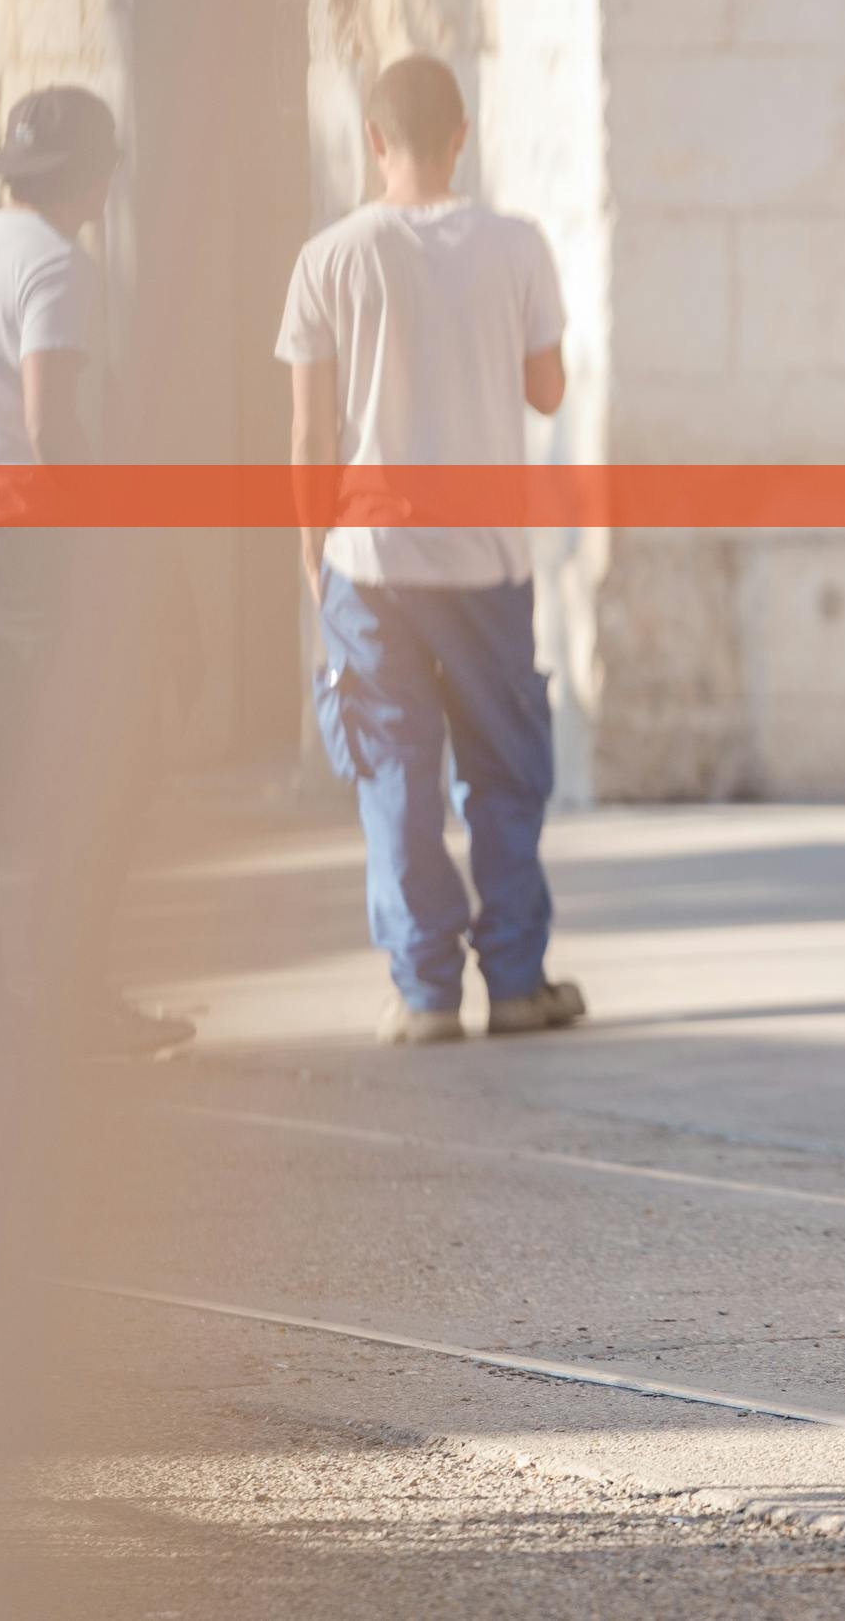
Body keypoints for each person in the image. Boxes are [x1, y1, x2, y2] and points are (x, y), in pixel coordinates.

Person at [278, 56, 581, 1048]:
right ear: (462, 134)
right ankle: (521, 982)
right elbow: (547, 392)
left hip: (369, 562)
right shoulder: (518, 246)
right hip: (487, 560)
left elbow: (310, 437)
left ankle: (424, 994)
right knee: (503, 769)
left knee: (393, 773)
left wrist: (308, 557)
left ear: (375, 140)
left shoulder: (328, 257)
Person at [0, 87, 191, 1057]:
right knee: (116, 754)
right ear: (100, 178)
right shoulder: (59, 268)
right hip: (28, 544)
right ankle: (75, 990)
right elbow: (47, 425)